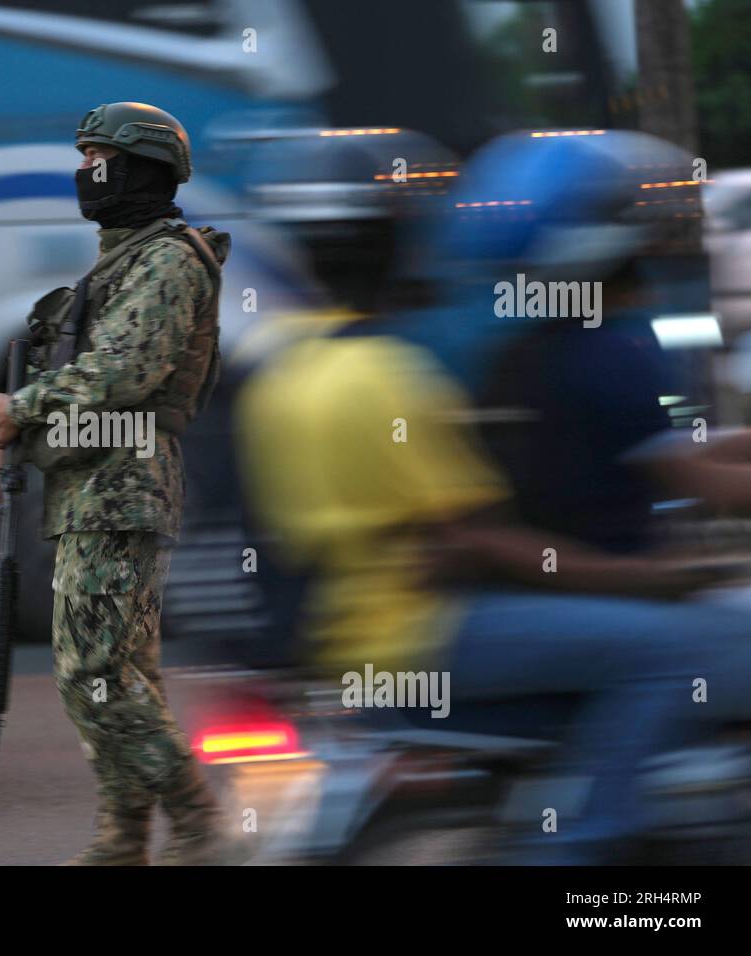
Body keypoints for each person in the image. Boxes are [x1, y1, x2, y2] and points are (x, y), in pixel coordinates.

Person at [236, 129, 751, 863]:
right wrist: (655, 580)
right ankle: (577, 851)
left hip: (342, 629)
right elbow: (484, 536)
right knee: (672, 652)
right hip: (411, 634)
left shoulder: (279, 364)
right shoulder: (389, 375)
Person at [0, 103, 235, 865]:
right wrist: (16, 435)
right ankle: (122, 841)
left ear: (140, 168)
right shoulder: (120, 261)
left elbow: (123, 372)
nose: (85, 173)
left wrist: (20, 409)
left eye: (99, 158)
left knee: (93, 674)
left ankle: (201, 825)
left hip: (122, 488)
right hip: (89, 489)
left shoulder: (170, 260)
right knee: (124, 675)